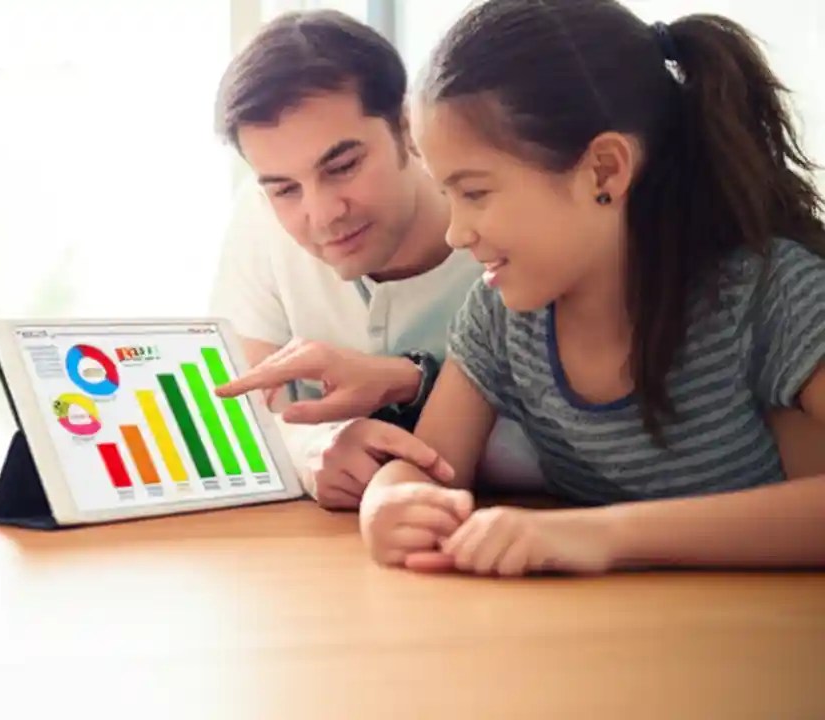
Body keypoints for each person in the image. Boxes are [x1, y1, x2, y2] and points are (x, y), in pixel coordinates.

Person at [354, 0, 825, 575]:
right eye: (447, 196)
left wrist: (602, 535)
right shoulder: (500, 316)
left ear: (603, 170)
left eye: (474, 192)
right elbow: (428, 466)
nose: (455, 232)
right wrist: (388, 502)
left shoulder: (768, 295)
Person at [208, 9, 542, 511]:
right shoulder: (259, 222)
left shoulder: (507, 226)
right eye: (283, 189)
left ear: (407, 127)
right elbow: (240, 415)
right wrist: (313, 449)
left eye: (343, 166)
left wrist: (410, 386)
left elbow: (584, 440)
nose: (321, 215)